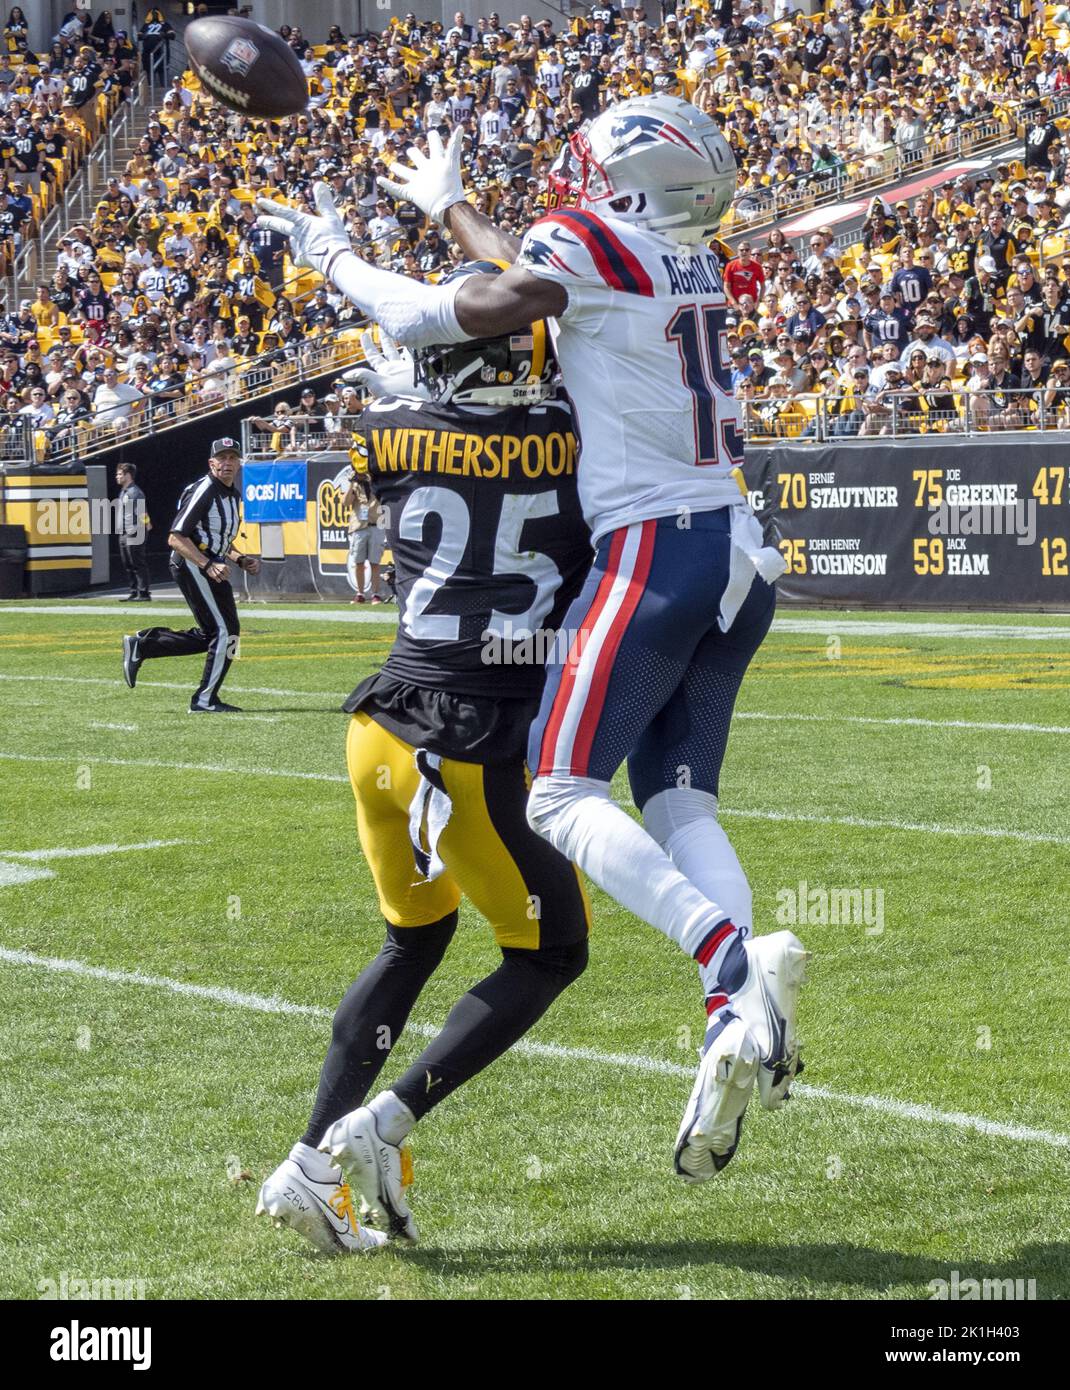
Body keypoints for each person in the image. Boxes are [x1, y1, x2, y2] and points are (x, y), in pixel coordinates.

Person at [257, 94, 809, 1194]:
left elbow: (436, 318)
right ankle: (728, 1021)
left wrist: (332, 255)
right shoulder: (678, 255)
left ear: (623, 177)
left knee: (557, 792)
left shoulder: (591, 251)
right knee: (679, 803)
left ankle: (730, 962)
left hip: (657, 550)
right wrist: (455, 207)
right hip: (738, 552)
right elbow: (541, 286)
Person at [256, 274, 593, 1249]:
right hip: (469, 745)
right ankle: (369, 1129)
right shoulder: (578, 441)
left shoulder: (387, 428)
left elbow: (398, 428)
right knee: (549, 950)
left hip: (379, 728)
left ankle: (303, 1163)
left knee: (414, 939)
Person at [121, 438, 260, 712]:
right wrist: (207, 565)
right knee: (225, 632)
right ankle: (204, 700)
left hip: (210, 564)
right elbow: (176, 537)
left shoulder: (232, 493)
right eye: (222, 458)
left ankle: (144, 646)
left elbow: (216, 537)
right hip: (192, 565)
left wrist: (239, 558)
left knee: (223, 634)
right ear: (212, 463)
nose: (228, 463)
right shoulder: (205, 490)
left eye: (233, 458)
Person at [342, 465, 386, 604]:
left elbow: (385, 501)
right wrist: (351, 484)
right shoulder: (355, 484)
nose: (361, 473)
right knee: (358, 562)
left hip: (376, 525)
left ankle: (375, 594)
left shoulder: (378, 482)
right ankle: (360, 594)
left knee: (375, 562)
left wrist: (371, 479)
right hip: (359, 526)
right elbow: (345, 503)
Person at [115, 461, 151, 601]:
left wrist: (146, 526)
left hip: (134, 530)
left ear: (128, 475)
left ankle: (143, 593)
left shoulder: (135, 492)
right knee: (128, 564)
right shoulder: (123, 492)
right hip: (124, 532)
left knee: (137, 563)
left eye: (119, 474)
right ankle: (133, 590)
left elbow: (142, 511)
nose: (117, 477)